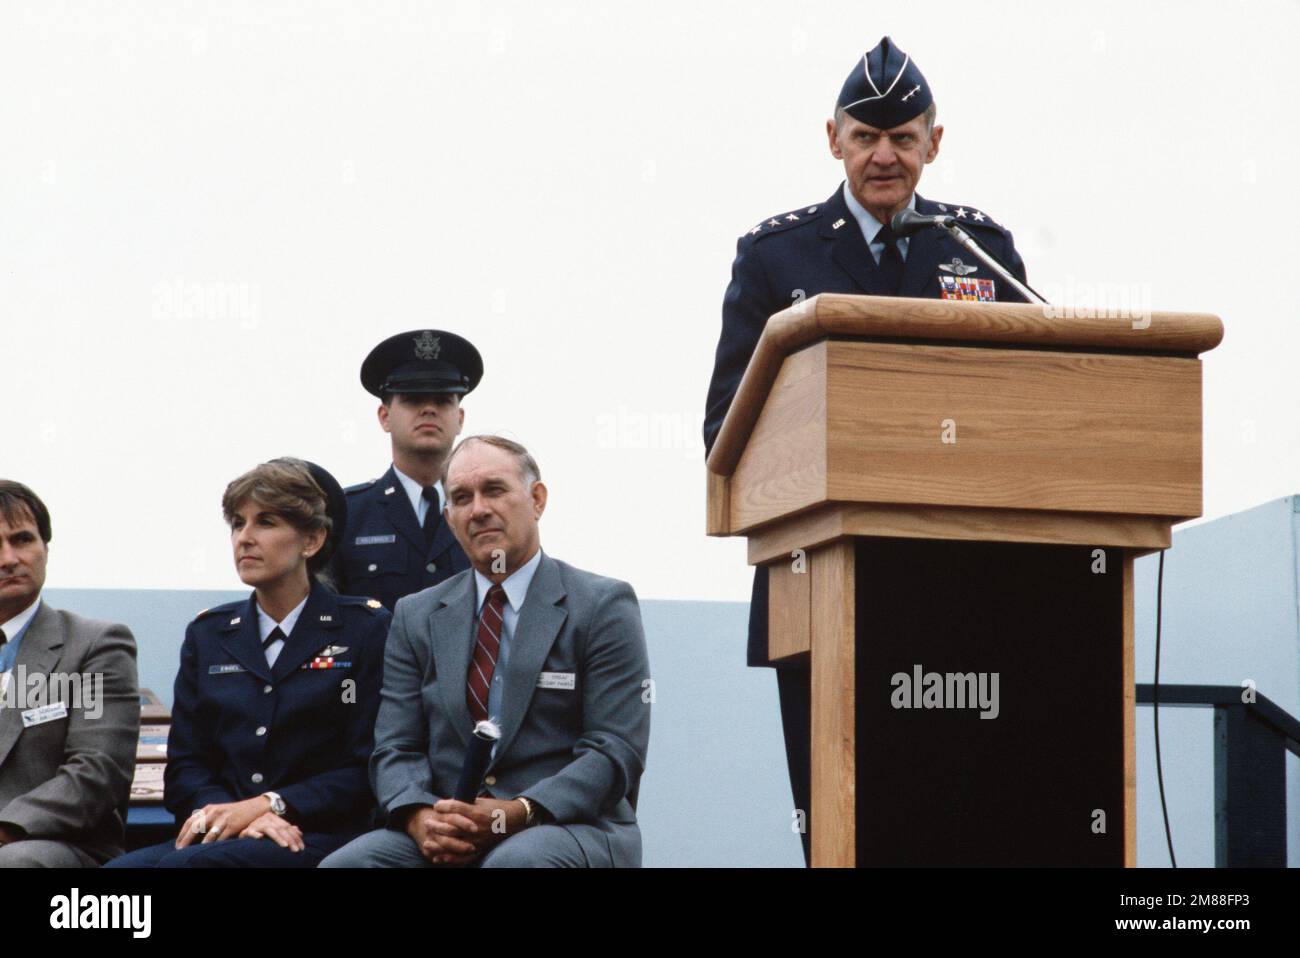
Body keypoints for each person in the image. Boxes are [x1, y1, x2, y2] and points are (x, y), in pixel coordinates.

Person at [702, 36, 1032, 865]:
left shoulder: (979, 251)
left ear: (935, 143)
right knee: (839, 821)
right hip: (820, 584)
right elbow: (725, 432)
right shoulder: (777, 256)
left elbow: (1035, 400)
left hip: (964, 584)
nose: (884, 156)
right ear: (833, 139)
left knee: (961, 820)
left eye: (904, 138)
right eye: (865, 137)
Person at [321, 436, 651, 868]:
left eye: (494, 490)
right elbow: (395, 748)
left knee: (514, 864)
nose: (478, 510)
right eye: (462, 498)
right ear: (449, 517)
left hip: (565, 824)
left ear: (537, 499)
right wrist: (420, 818)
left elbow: (614, 750)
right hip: (446, 822)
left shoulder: (602, 605)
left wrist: (515, 813)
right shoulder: (415, 615)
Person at [105, 459, 390, 867]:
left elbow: (367, 768)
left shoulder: (363, 629)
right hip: (228, 830)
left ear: (312, 540)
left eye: (266, 523)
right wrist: (228, 815)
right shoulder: (209, 635)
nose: (245, 538)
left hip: (321, 834)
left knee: (188, 867)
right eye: (238, 524)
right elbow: (187, 767)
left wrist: (271, 806)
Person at [0, 480, 140, 867]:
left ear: (45, 548)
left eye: (22, 540)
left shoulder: (94, 645)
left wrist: (6, 826)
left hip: (51, 843)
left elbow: (96, 772)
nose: (8, 558)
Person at [330, 330, 484, 611]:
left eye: (442, 400)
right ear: (384, 417)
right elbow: (324, 617)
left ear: (459, 419)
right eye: (413, 399)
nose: (428, 409)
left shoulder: (488, 513)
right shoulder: (345, 514)